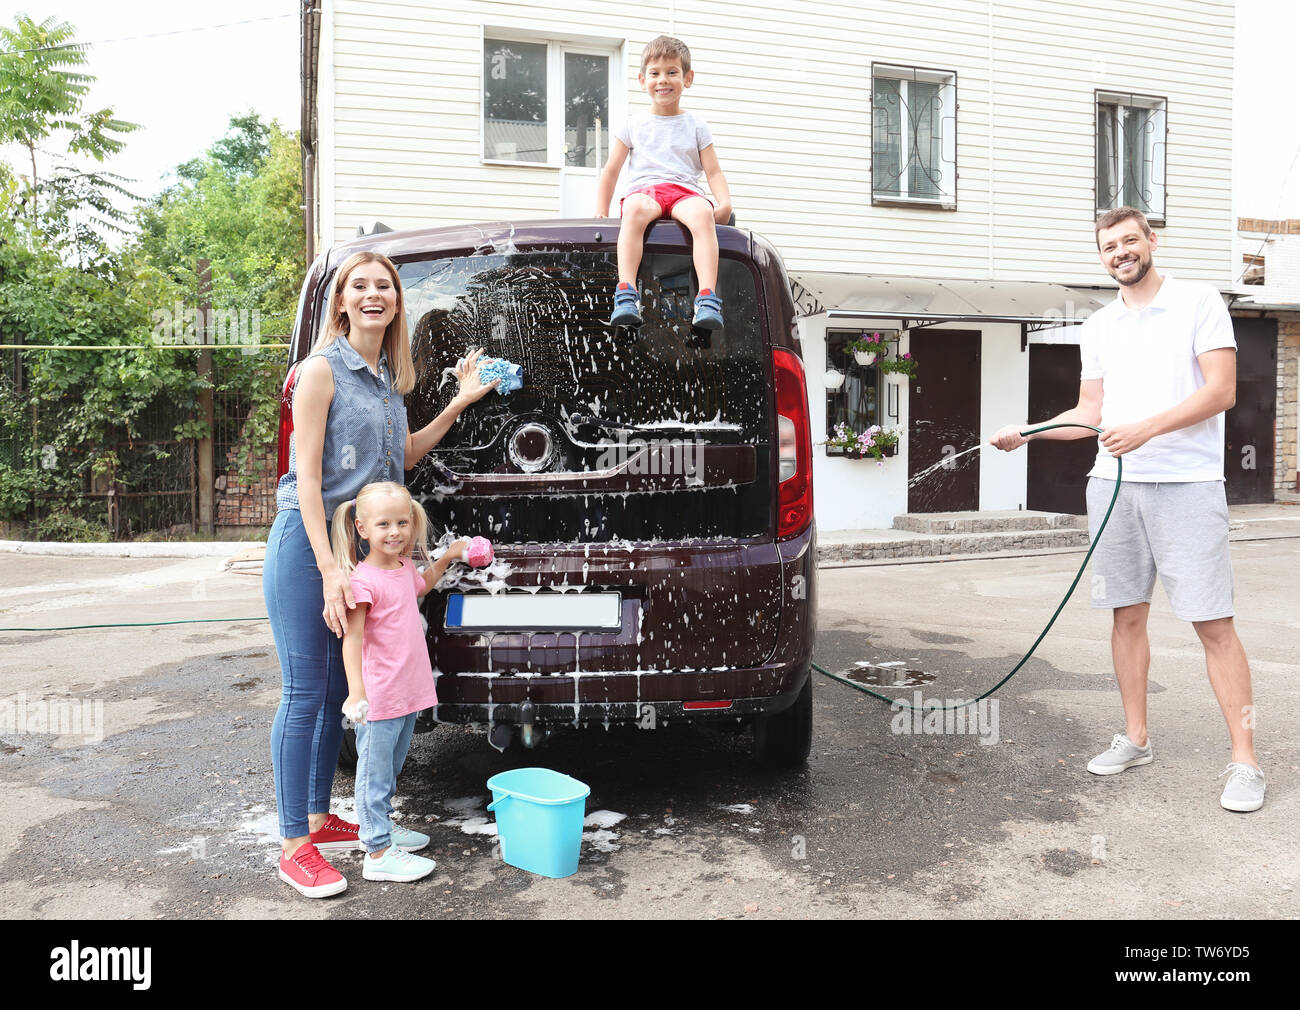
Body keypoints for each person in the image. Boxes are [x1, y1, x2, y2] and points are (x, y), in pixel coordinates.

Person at [990, 206, 1264, 813]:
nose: (1120, 252)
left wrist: (1145, 429)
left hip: (1188, 485)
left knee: (1213, 624)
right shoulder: (1100, 326)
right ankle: (1136, 738)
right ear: (1102, 256)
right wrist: (1029, 431)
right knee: (1126, 618)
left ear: (1151, 242)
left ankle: (1245, 760)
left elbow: (1221, 391)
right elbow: (1090, 413)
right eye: (1109, 246)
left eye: (1129, 241)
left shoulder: (1198, 302)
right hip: (1112, 488)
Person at [266, 249, 498, 899]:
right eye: (359, 285)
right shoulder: (319, 372)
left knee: (338, 690)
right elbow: (306, 482)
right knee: (306, 695)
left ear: (396, 303)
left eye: (384, 286)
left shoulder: (386, 377)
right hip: (308, 548)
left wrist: (459, 401)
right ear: (340, 301)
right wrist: (329, 570)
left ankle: (318, 817)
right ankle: (293, 845)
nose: (373, 294)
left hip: (353, 557)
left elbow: (401, 456)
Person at [331, 482, 472, 883]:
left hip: (408, 691)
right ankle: (377, 853)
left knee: (390, 770)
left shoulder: (402, 567)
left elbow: (422, 584)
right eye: (384, 524)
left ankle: (384, 829)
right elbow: (352, 639)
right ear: (361, 529)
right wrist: (356, 691)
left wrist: (449, 555)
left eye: (402, 522)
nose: (395, 532)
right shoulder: (363, 581)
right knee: (373, 775)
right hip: (380, 696)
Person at [595, 34, 733, 331]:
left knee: (702, 214)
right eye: (655, 73)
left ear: (688, 78)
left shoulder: (696, 125)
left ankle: (707, 298)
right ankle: (626, 294)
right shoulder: (633, 124)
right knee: (633, 212)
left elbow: (713, 172)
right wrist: (600, 211)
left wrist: (724, 203)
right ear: (642, 79)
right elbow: (611, 170)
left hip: (685, 192)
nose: (663, 80)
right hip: (645, 191)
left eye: (672, 72)